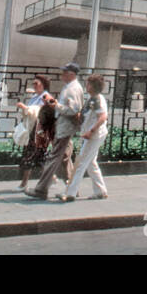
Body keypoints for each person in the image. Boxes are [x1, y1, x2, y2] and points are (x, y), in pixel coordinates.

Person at [28, 62, 84, 199]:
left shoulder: (73, 89)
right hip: (64, 126)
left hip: (65, 127)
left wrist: (54, 104)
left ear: (71, 74)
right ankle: (72, 188)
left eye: (64, 72)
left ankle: (41, 190)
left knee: (53, 158)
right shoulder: (71, 87)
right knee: (64, 156)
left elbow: (73, 110)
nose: (62, 75)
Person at [60, 73, 109, 202]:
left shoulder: (97, 99)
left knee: (80, 162)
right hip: (94, 134)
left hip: (94, 135)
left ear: (93, 86)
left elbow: (103, 117)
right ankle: (100, 191)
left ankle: (70, 193)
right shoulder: (93, 99)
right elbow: (85, 115)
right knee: (91, 163)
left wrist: (90, 131)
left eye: (88, 83)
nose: (86, 86)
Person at [16, 75, 54, 190]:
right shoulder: (35, 97)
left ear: (43, 84)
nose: (34, 86)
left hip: (40, 130)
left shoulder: (46, 96)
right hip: (34, 129)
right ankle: (51, 178)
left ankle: (24, 183)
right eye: (33, 84)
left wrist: (25, 108)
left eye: (36, 84)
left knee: (31, 155)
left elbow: (40, 111)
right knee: (39, 156)